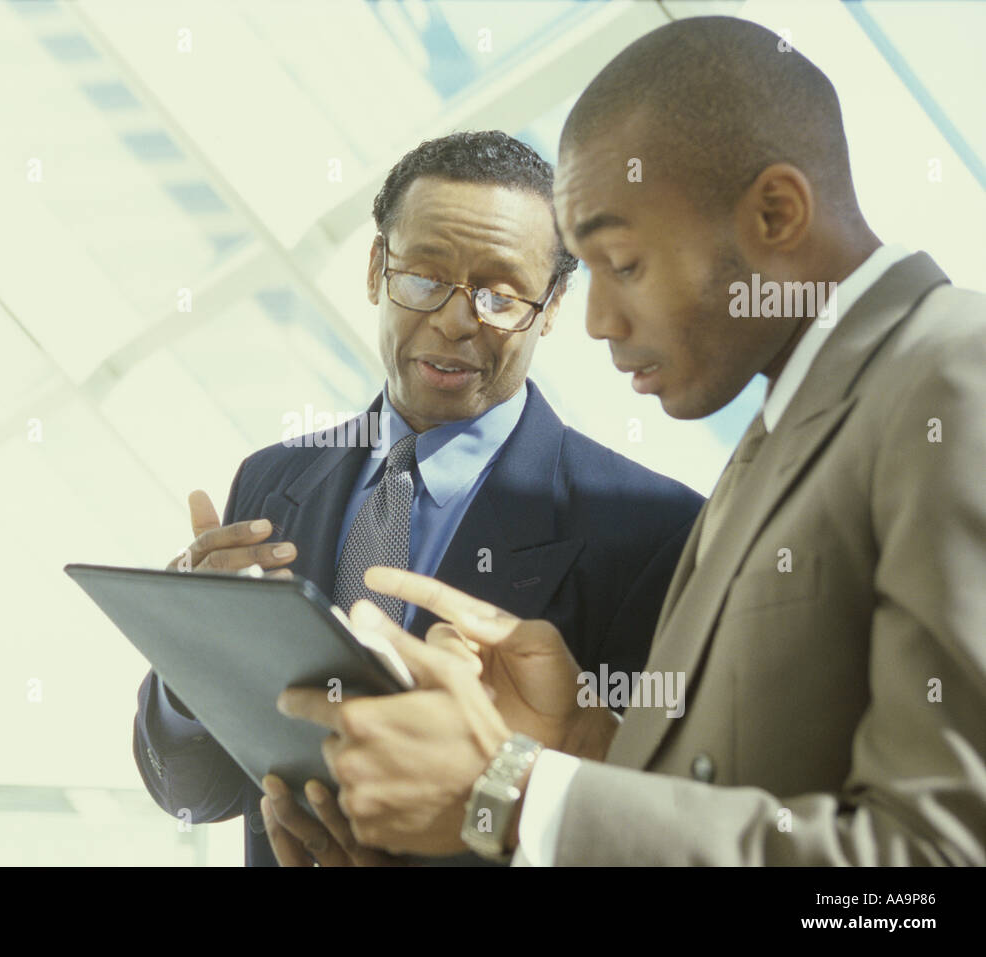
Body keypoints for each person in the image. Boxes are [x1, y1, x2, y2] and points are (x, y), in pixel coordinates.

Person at [277, 16, 986, 865]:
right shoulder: (784, 432)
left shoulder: (955, 380)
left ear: (776, 212)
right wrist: (580, 740)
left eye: (624, 263)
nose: (601, 322)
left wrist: (516, 799)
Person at [132, 131, 703, 866]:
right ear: (376, 269)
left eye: (500, 295)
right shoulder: (271, 479)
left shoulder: (653, 531)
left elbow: (654, 829)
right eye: (424, 278)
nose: (457, 320)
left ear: (553, 305)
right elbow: (197, 793)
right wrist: (191, 661)